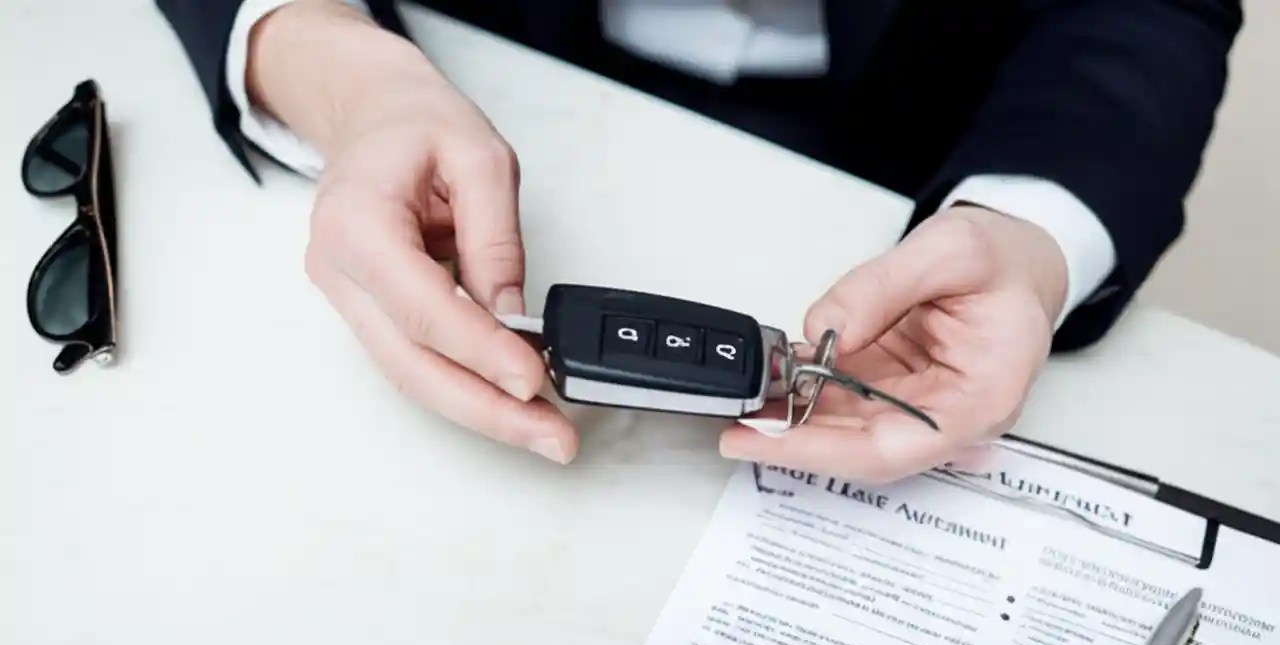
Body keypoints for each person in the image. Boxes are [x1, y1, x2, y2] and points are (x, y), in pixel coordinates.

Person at [154, 0, 1242, 481]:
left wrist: (1031, 226)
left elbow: (1146, 9)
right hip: (475, 69)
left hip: (899, 150)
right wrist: (331, 63)